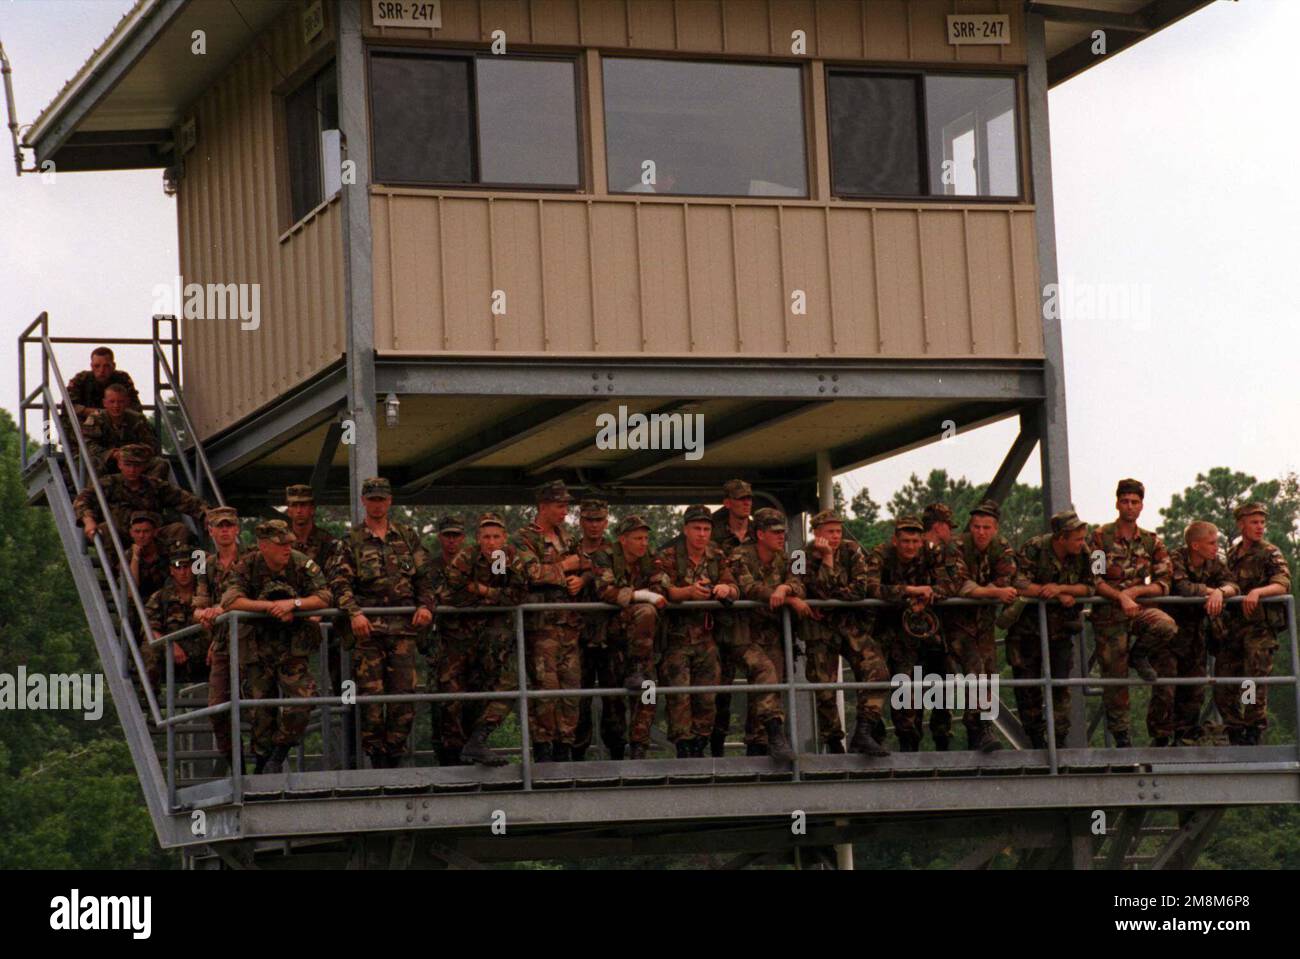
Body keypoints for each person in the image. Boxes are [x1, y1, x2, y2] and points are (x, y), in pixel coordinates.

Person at [328, 477, 436, 769]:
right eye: (372, 499)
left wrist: (426, 606)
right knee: (371, 701)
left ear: (389, 501)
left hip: (403, 630)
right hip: (369, 632)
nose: (377, 504)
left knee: (404, 699)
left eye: (382, 499)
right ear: (364, 501)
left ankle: (395, 755)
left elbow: (425, 577)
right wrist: (354, 613)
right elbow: (340, 584)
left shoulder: (407, 536)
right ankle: (377, 760)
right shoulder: (351, 541)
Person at [222, 520, 331, 775]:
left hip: (292, 646)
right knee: (260, 714)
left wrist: (294, 604)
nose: (287, 548)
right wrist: (269, 608)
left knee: (303, 700)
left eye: (290, 542)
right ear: (264, 546)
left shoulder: (300, 562)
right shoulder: (248, 565)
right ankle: (262, 765)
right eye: (281, 544)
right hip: (257, 648)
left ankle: (279, 753)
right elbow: (229, 600)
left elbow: (325, 596)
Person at [1089, 479, 1177, 748]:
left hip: (1139, 610)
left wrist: (1134, 594)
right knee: (1115, 680)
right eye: (1125, 501)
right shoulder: (1100, 537)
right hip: (1109, 616)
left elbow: (1163, 582)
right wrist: (1120, 597)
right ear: (1117, 503)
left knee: (1167, 625)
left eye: (1135, 502)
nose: (1129, 506)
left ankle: (1139, 655)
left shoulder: (1151, 541)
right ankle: (1122, 737)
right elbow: (1095, 580)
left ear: (1141, 506)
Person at [437, 512, 527, 766]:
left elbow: (519, 595)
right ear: (478, 539)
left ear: (504, 538)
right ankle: (453, 756)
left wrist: (483, 591)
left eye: (496, 536)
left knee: (506, 686)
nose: (491, 542)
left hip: (495, 640)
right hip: (460, 638)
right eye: (486, 537)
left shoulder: (510, 558)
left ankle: (478, 739)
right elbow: (452, 592)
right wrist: (494, 596)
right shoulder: (466, 557)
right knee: (453, 694)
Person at [865, 515, 961, 751]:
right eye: (905, 541)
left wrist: (928, 594)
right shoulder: (881, 554)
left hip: (926, 632)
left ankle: (936, 740)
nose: (910, 546)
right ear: (895, 541)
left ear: (921, 541)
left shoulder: (931, 553)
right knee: (892, 686)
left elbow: (951, 584)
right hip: (888, 631)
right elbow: (869, 586)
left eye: (914, 541)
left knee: (933, 684)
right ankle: (891, 740)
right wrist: (908, 591)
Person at [799, 509, 890, 756]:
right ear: (817, 532)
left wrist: (828, 596)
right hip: (819, 630)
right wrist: (827, 560)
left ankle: (864, 730)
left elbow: (859, 590)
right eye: (830, 531)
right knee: (825, 689)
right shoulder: (800, 555)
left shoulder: (852, 551)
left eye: (839, 530)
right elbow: (802, 589)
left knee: (878, 672)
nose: (836, 536)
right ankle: (834, 742)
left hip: (850, 626)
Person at [1005, 509, 1095, 749]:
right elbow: (1017, 583)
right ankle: (1035, 741)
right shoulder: (1034, 548)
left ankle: (1060, 741)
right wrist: (1051, 592)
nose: (1081, 542)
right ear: (1061, 537)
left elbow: (1091, 587)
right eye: (1076, 538)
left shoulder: (1084, 553)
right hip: (1027, 630)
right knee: (1027, 688)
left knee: (1060, 686)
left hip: (1060, 631)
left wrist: (1062, 590)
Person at [655, 505, 737, 758]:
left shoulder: (717, 555)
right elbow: (662, 590)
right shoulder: (668, 555)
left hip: (707, 638)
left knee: (707, 697)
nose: (702, 534)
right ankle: (683, 748)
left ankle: (701, 743)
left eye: (706, 529)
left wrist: (725, 589)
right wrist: (688, 593)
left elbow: (735, 586)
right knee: (679, 697)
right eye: (696, 529)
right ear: (685, 530)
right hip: (676, 639)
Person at [728, 507, 809, 763]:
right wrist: (776, 595)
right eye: (775, 532)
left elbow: (800, 582)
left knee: (768, 687)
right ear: (760, 534)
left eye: (783, 532)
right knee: (766, 674)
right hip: (744, 635)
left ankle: (759, 745)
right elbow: (748, 587)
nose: (781, 537)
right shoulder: (739, 555)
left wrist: (785, 589)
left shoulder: (789, 557)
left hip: (773, 635)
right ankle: (776, 735)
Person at [513, 480, 584, 763]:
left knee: (571, 690)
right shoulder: (523, 538)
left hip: (569, 626)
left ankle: (564, 748)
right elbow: (529, 573)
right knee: (545, 690)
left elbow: (587, 563)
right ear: (543, 506)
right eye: (559, 505)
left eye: (566, 505)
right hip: (541, 629)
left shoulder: (566, 536)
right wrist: (566, 567)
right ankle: (543, 750)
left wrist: (583, 578)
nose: (564, 510)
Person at [592, 515, 670, 759]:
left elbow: (661, 591)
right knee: (613, 702)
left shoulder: (651, 559)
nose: (643, 543)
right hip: (611, 640)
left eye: (646, 538)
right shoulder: (604, 556)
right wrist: (641, 596)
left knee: (648, 693)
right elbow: (605, 591)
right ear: (623, 539)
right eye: (638, 538)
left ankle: (640, 748)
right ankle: (616, 752)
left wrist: (640, 597)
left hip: (643, 648)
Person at [945, 500, 1018, 752]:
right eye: (976, 526)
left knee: (989, 672)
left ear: (995, 528)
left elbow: (1007, 580)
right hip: (957, 623)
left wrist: (988, 591)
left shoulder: (1002, 547)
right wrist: (993, 592)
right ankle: (977, 728)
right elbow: (960, 584)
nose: (981, 532)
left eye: (986, 527)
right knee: (973, 669)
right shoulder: (956, 546)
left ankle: (983, 727)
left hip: (983, 624)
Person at [1218, 503, 1292, 745]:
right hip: (1233, 629)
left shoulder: (1270, 552)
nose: (1260, 527)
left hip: (1258, 630)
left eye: (1262, 522)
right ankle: (1233, 728)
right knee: (1224, 679)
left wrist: (1258, 592)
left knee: (1251, 681)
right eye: (1254, 522)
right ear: (1241, 524)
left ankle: (1252, 727)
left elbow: (1282, 583)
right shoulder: (1231, 555)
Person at [1164, 521, 1237, 746]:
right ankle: (1162, 736)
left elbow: (1234, 584)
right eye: (1212, 543)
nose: (1216, 547)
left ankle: (1190, 734)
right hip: (1170, 634)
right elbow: (1183, 588)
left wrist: (1221, 592)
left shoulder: (1214, 563)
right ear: (1196, 546)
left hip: (1200, 633)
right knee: (1166, 689)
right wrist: (1211, 591)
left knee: (1196, 687)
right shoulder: (1176, 558)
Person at [73, 443, 206, 555]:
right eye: (128, 464)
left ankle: (180, 569)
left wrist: (207, 514)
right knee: (105, 530)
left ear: (143, 467)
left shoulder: (154, 485)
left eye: (136, 465)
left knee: (180, 529)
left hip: (152, 535)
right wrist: (88, 520)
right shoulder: (109, 483)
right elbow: (83, 499)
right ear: (120, 464)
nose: (132, 470)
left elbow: (184, 499)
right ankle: (118, 575)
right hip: (123, 535)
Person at [194, 506, 248, 774]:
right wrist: (203, 613)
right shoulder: (207, 565)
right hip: (224, 644)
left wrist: (223, 609)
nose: (225, 530)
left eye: (229, 525)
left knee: (260, 708)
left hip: (253, 642)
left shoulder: (253, 559)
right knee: (217, 708)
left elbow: (260, 597)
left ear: (237, 529)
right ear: (211, 531)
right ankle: (236, 764)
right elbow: (199, 603)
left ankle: (264, 763)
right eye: (219, 526)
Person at [709, 478, 758, 757]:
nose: (746, 503)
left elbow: (789, 561)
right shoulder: (711, 532)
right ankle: (717, 748)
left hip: (755, 623)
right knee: (720, 688)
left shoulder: (762, 529)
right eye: (740, 499)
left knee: (763, 682)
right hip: (721, 623)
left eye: (749, 498)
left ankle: (758, 744)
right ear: (727, 503)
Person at [573, 498, 620, 761]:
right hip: (577, 635)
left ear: (606, 521)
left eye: (599, 519)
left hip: (611, 636)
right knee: (578, 701)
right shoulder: (569, 550)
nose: (594, 525)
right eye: (589, 519)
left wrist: (588, 575)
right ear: (580, 521)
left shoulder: (616, 551)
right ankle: (576, 760)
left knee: (614, 700)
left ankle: (617, 757)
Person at [427, 514, 467, 765]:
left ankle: (469, 756)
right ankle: (446, 759)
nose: (451, 541)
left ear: (463, 538)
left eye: (456, 535)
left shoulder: (474, 564)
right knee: (443, 703)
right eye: (447, 535)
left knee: (471, 700)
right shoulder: (430, 567)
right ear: (440, 537)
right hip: (440, 644)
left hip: (470, 643)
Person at [143, 544, 209, 689]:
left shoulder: (205, 595)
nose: (183, 572)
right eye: (178, 568)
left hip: (203, 649)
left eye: (187, 567)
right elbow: (149, 627)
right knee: (150, 646)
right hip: (173, 650)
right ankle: (149, 697)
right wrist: (170, 646)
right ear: (172, 570)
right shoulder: (161, 597)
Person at [81, 383, 166, 479]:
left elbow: (150, 444)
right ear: (104, 403)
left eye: (120, 402)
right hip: (107, 461)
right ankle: (97, 493)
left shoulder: (137, 419)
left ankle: (147, 492)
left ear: (127, 402)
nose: (116, 406)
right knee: (93, 463)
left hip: (133, 462)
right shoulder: (95, 419)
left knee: (160, 463)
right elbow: (87, 445)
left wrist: (131, 454)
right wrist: (112, 454)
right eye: (112, 402)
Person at [65, 346, 142, 421]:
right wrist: (102, 413)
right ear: (91, 366)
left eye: (106, 366)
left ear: (113, 366)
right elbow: (67, 406)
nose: (101, 370)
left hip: (116, 424)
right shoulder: (81, 379)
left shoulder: (122, 378)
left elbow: (135, 407)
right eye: (97, 366)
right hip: (86, 425)